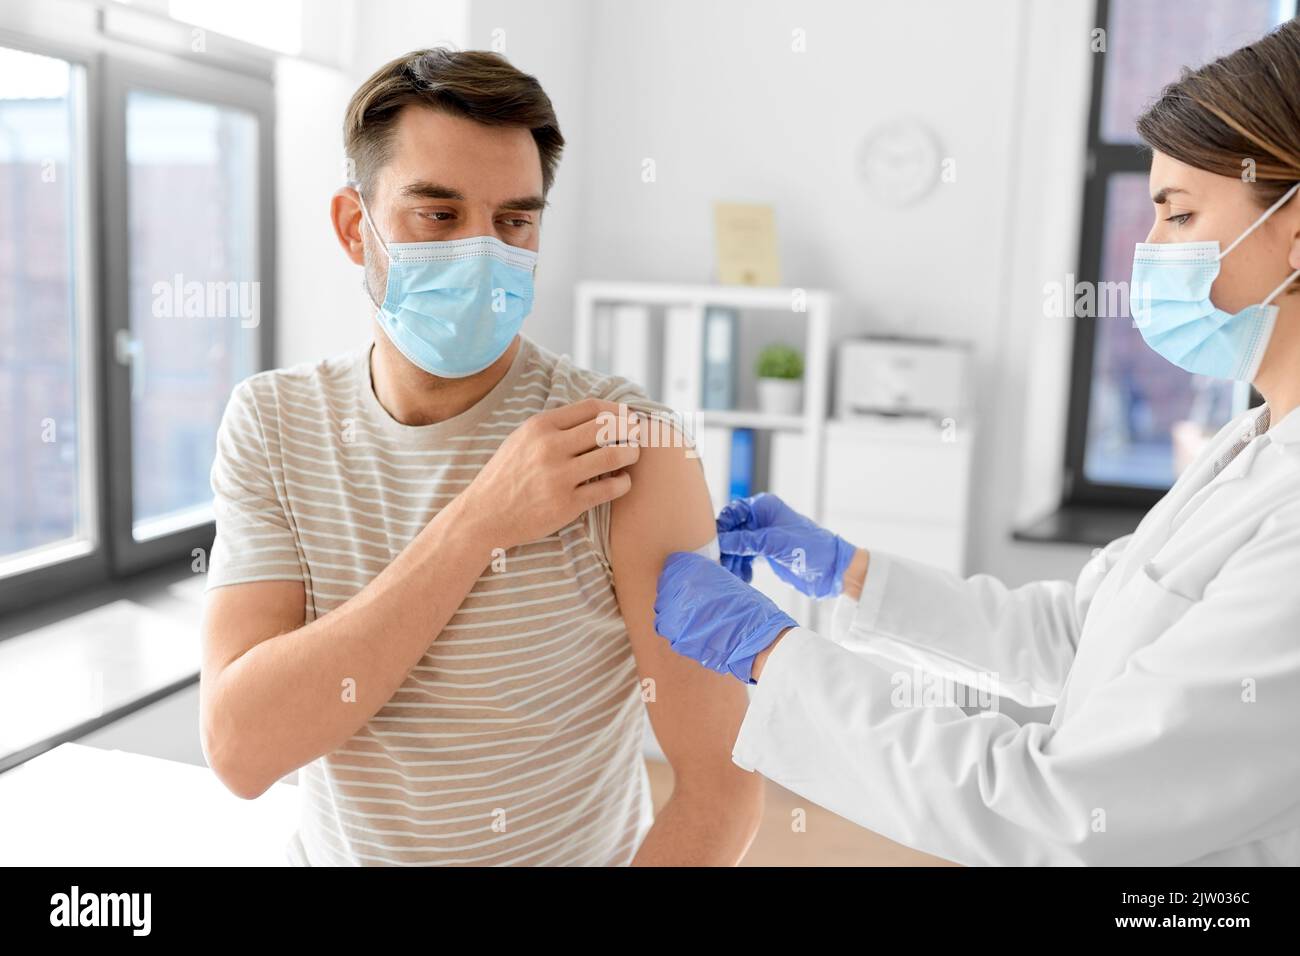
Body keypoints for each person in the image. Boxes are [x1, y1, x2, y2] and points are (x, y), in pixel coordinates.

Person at [653, 20, 1300, 866]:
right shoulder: (1254, 444)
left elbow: (1063, 815)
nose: (1147, 254)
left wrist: (771, 653)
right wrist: (851, 571)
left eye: (1178, 216)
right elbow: (1075, 637)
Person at [200, 49, 762, 866]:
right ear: (357, 228)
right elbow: (242, 750)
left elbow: (722, 786)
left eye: (513, 221)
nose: (483, 252)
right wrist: (477, 524)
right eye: (438, 214)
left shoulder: (630, 448)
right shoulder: (274, 424)